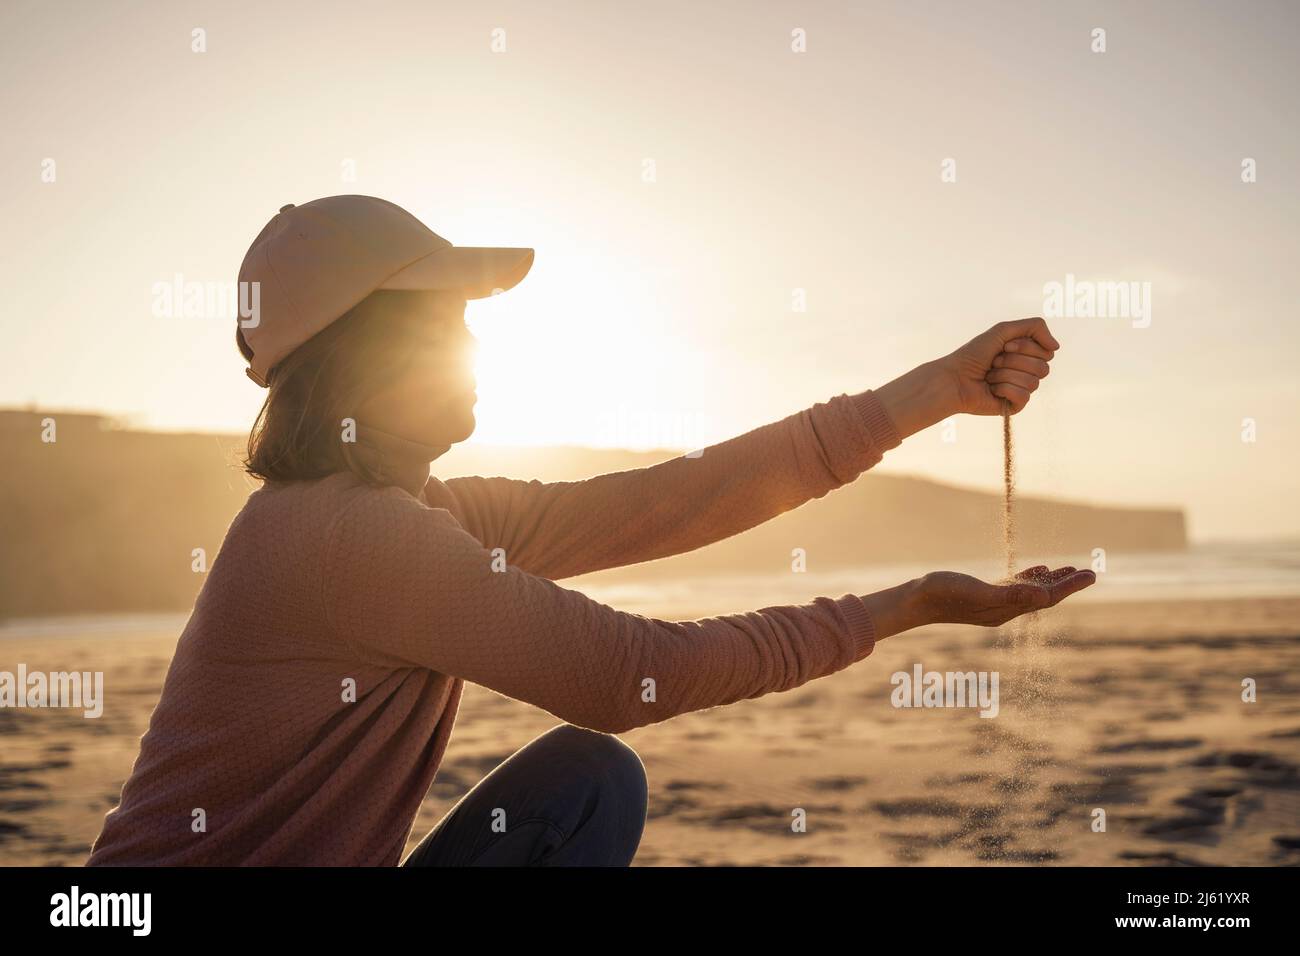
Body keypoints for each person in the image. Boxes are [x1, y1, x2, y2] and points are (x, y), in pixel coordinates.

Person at [86, 195, 1094, 867]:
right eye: (448, 315)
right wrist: (903, 607)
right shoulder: (350, 537)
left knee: (579, 781)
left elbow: (676, 501)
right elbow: (627, 674)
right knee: (592, 774)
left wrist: (930, 392)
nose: (473, 341)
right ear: (368, 346)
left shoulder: (419, 515)